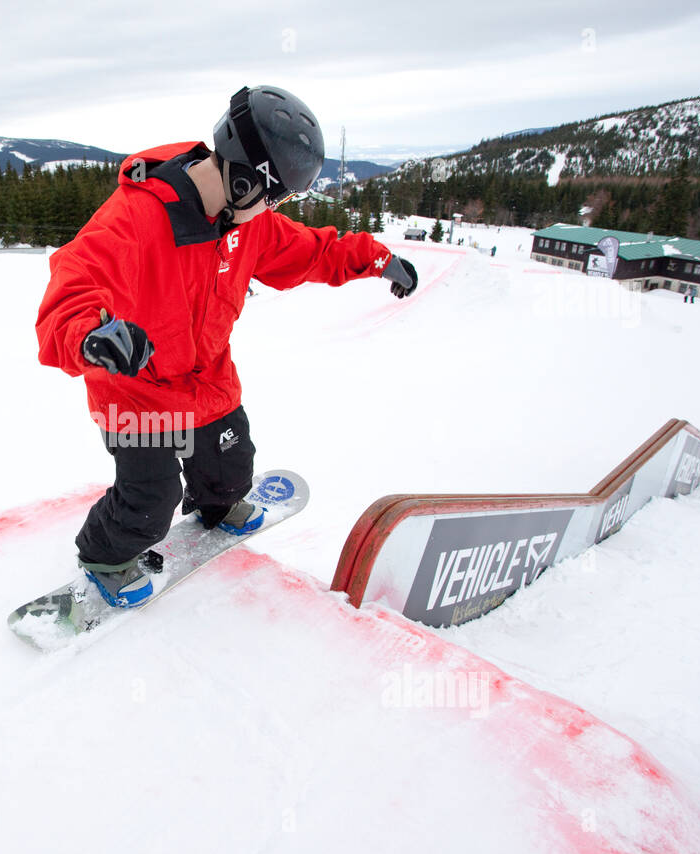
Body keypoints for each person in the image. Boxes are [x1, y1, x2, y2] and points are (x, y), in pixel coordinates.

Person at [35, 85, 418, 608]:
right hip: (137, 388)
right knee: (151, 501)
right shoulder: (136, 219)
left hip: (208, 380)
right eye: (275, 195)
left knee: (233, 472)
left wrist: (376, 260)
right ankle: (103, 556)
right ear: (245, 177)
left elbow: (311, 250)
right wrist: (92, 335)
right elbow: (75, 281)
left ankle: (215, 504)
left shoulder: (248, 225)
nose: (274, 208)